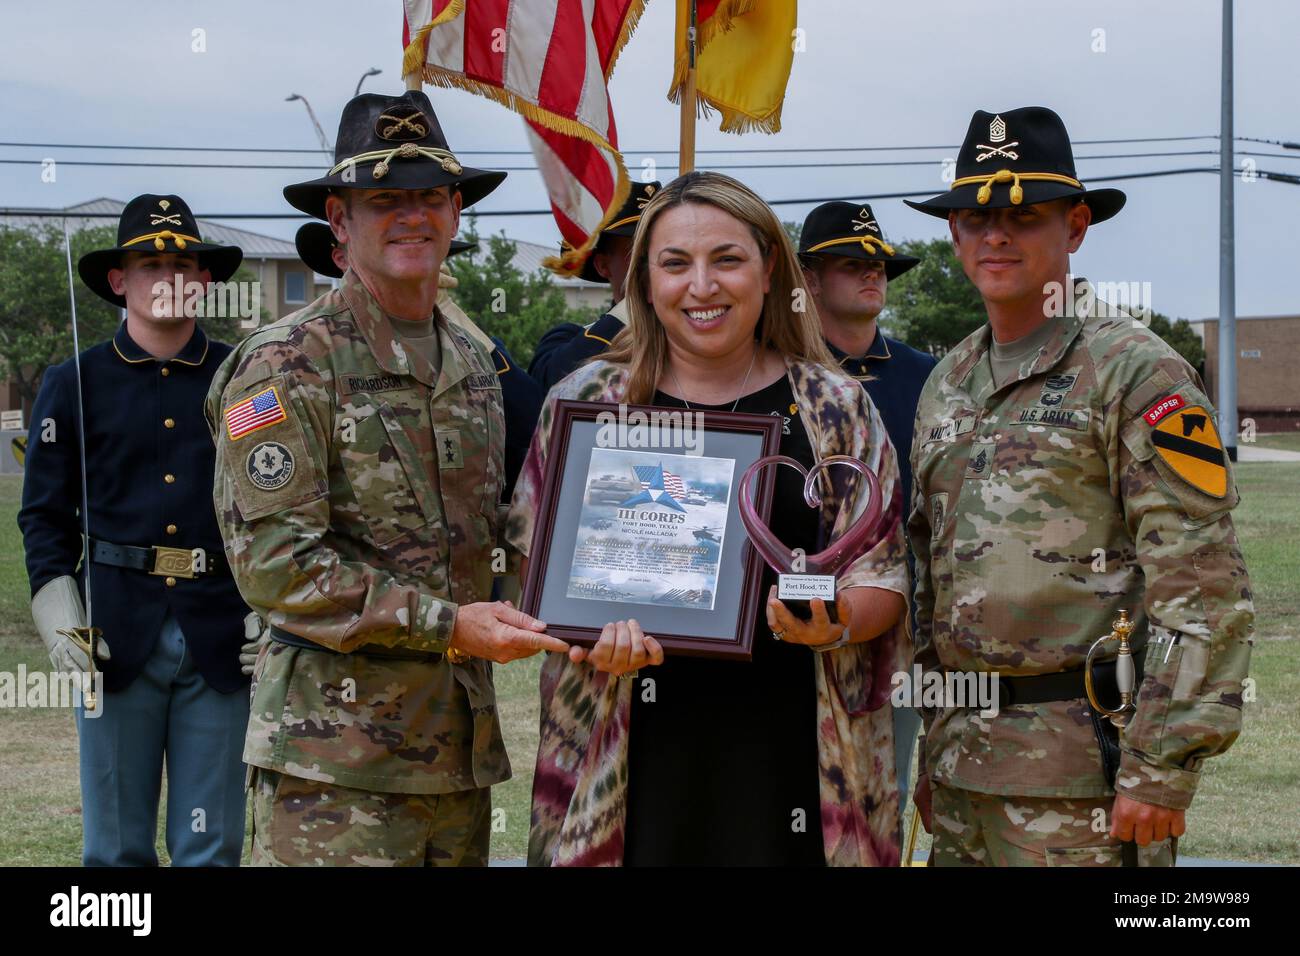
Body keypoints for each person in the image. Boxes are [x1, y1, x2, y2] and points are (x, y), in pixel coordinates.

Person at [207, 91, 569, 867]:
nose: (413, 216)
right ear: (340, 221)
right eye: (385, 200)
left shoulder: (472, 362)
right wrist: (450, 626)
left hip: (456, 761)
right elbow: (278, 566)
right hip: (335, 777)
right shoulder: (285, 364)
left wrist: (602, 592)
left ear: (456, 212)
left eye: (430, 196)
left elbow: (499, 535)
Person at [507, 170, 911, 866]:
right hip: (625, 747)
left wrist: (837, 617)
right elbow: (532, 571)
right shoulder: (588, 402)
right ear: (644, 281)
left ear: (769, 271)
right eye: (675, 263)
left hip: (794, 747)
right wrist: (581, 631)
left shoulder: (836, 406)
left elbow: (887, 574)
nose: (702, 286)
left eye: (727, 259)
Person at [904, 106, 1254, 866]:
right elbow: (929, 584)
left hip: (1084, 784)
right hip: (964, 773)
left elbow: (1202, 590)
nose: (995, 235)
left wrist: (1162, 768)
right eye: (974, 216)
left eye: (1024, 216)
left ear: (1077, 225)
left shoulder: (1136, 371)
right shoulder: (947, 381)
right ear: (955, 233)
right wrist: (934, 747)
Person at [19, 194, 254, 866]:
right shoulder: (73, 384)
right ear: (119, 280)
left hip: (221, 630)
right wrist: (58, 607)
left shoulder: (241, 381)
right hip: (113, 631)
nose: (168, 276)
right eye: (149, 263)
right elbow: (43, 515)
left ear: (205, 281)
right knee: (115, 848)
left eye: (182, 262)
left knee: (211, 845)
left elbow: (273, 505)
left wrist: (270, 609)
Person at [798, 201, 937, 813]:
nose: (871, 274)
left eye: (878, 263)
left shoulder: (929, 376)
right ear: (808, 278)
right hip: (796, 615)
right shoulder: (782, 372)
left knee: (883, 791)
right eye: (851, 263)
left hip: (898, 612)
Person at [294, 223, 541, 500]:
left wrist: (451, 315)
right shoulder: (313, 358)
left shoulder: (474, 347)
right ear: (342, 259)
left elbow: (536, 426)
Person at [527, 180, 661, 391]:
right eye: (636, 250)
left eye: (665, 247)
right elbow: (551, 388)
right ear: (603, 265)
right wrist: (633, 306)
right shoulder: (569, 340)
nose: (654, 260)